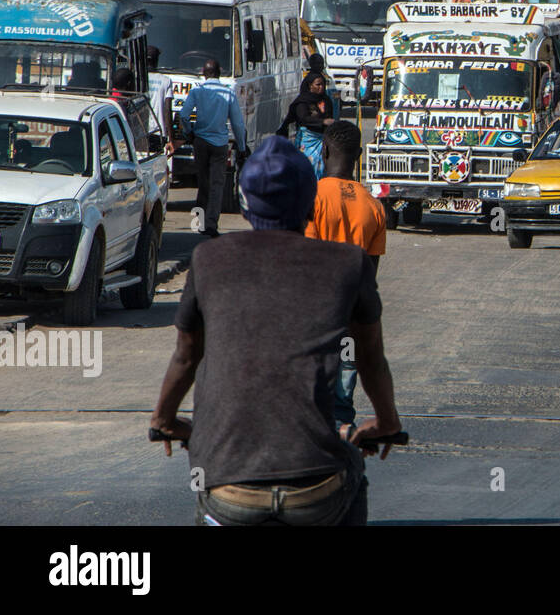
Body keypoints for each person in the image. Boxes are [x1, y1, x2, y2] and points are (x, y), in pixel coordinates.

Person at [149, 137, 402, 526]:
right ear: (309, 201)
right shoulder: (349, 263)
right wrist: (386, 424)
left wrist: (164, 421)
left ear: (247, 203)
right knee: (352, 470)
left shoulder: (209, 258)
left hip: (228, 490)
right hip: (315, 492)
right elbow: (370, 358)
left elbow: (186, 355)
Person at [306, 122, 387, 440]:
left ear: (324, 150)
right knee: (346, 376)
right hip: (352, 314)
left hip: (316, 312)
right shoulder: (374, 206)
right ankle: (343, 427)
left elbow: (307, 258)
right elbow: (371, 274)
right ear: (360, 155)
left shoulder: (312, 197)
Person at [178, 59, 248, 238]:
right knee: (217, 185)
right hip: (219, 144)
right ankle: (211, 224)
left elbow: (184, 115)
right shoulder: (227, 93)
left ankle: (197, 223)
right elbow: (238, 123)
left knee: (202, 183)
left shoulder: (197, 91)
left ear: (203, 72)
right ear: (219, 72)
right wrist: (241, 146)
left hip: (200, 141)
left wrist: (189, 133)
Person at [289, 71, 335, 179]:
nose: (321, 87)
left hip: (323, 140)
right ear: (310, 85)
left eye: (323, 84)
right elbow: (303, 118)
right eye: (318, 85)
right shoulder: (303, 101)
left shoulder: (326, 100)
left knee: (322, 169)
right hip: (308, 141)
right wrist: (322, 122)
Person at [146, 46, 174, 147]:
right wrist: (171, 138)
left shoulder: (138, 79)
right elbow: (167, 110)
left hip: (139, 133)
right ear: (157, 61)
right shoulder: (166, 80)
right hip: (158, 132)